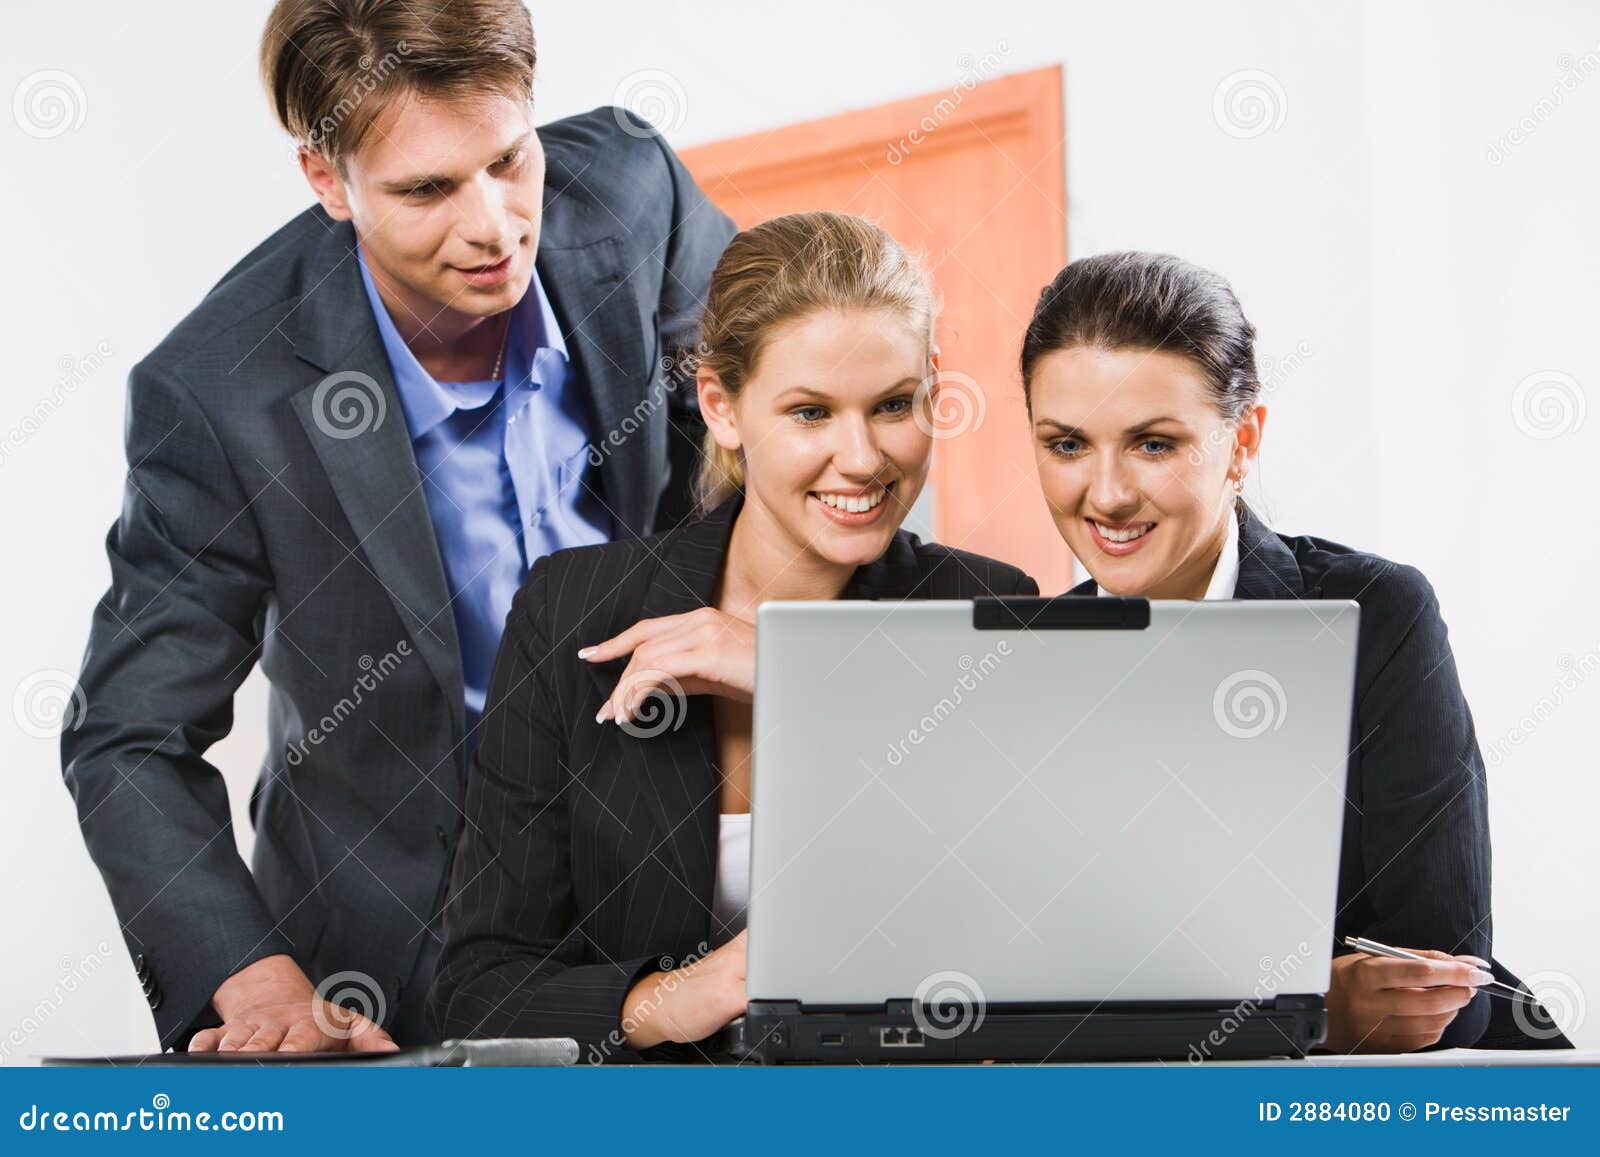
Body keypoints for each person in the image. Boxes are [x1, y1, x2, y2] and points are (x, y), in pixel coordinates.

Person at [60, 0, 734, 1054]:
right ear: (327, 181)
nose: (495, 225)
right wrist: (248, 977)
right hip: (392, 957)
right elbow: (129, 731)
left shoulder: (631, 191)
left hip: (669, 891)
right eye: (426, 189)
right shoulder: (219, 391)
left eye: (509, 159)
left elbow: (776, 439)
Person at [429, 211, 1039, 1060]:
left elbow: (1027, 935)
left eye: (894, 404)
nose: (861, 458)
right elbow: (478, 989)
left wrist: (795, 676)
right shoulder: (572, 611)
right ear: (721, 406)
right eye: (811, 413)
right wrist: (681, 996)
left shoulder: (988, 609)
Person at [1019, 251, 1499, 1052]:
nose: (1104, 493)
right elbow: (1007, 1002)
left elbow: (1449, 987)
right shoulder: (1021, 661)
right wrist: (1316, 1006)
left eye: (1153, 444)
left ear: (1242, 441)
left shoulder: (1373, 616)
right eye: (1067, 445)